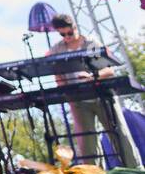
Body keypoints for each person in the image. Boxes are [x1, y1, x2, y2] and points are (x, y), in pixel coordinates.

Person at [46, 14, 114, 163]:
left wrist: (92, 77)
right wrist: (64, 88)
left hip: (101, 95)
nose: (67, 37)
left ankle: (136, 173)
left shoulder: (90, 44)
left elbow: (109, 70)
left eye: (69, 33)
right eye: (62, 34)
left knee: (119, 135)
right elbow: (57, 75)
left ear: (75, 27)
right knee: (86, 144)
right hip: (78, 99)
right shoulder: (57, 49)